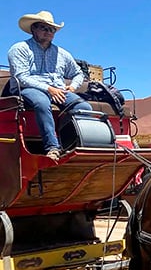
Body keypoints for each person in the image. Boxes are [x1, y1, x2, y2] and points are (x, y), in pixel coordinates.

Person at [7, 10, 92, 161]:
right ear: (34, 29)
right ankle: (52, 147)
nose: (48, 32)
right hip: (28, 89)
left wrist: (72, 87)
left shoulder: (62, 54)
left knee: (84, 108)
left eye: (52, 29)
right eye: (43, 28)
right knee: (41, 102)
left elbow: (78, 73)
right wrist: (49, 89)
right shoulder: (20, 49)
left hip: (57, 90)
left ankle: (72, 143)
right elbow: (21, 77)